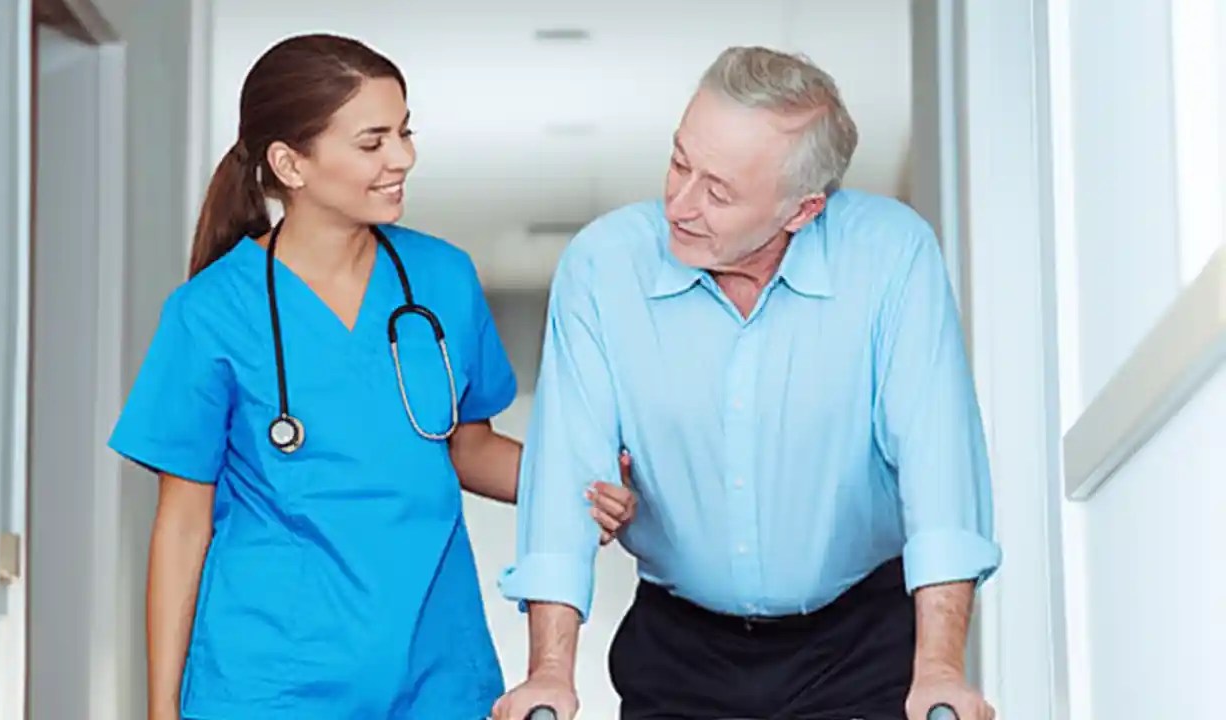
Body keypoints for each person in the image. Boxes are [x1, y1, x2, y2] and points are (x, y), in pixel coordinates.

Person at [108, 33, 637, 720]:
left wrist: (579, 487)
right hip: (270, 681)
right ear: (290, 164)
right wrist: (161, 709)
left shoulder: (440, 279)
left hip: (434, 670)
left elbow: (467, 448)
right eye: (373, 142)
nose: (403, 158)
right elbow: (182, 524)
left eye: (405, 133)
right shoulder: (211, 313)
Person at [493, 46, 1002, 720]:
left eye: (719, 190)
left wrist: (940, 666)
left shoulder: (890, 256)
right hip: (680, 648)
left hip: (858, 645)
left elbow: (940, 469)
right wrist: (548, 673)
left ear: (802, 210)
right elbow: (566, 480)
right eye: (680, 162)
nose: (679, 203)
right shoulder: (604, 265)